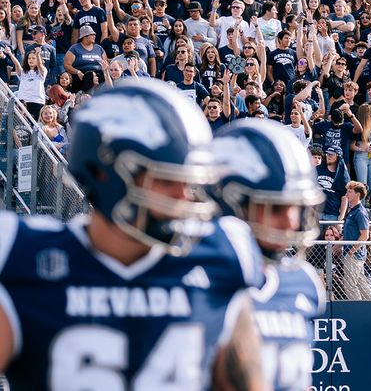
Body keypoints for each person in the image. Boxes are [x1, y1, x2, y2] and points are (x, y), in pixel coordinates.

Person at [0, 80, 266, 390]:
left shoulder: (221, 257)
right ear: (104, 173)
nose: (184, 195)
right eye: (166, 179)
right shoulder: (23, 257)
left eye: (189, 181)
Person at [211, 119, 327, 391]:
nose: (290, 222)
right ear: (231, 203)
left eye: (296, 208)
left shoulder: (303, 282)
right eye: (275, 208)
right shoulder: (192, 283)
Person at [341, 181, 371, 300]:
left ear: (357, 195)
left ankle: (356, 310)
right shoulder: (353, 210)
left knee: (350, 285)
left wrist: (352, 250)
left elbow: (364, 235)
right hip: (351, 253)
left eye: (349, 192)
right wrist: (336, 246)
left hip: (354, 255)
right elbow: (347, 232)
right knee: (361, 284)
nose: (347, 194)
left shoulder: (360, 212)